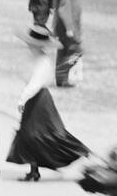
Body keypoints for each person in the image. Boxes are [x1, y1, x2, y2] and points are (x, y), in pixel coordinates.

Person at [6, 24, 89, 181]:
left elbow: (35, 84)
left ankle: (78, 152)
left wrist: (23, 99)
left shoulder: (43, 62)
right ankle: (34, 169)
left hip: (39, 100)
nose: (28, 46)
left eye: (31, 44)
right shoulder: (36, 59)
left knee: (40, 134)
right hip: (36, 99)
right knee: (30, 134)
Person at [53, 0, 83, 87]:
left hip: (62, 27)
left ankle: (61, 79)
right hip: (66, 28)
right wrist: (69, 29)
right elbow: (63, 10)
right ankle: (62, 76)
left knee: (63, 52)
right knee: (75, 52)